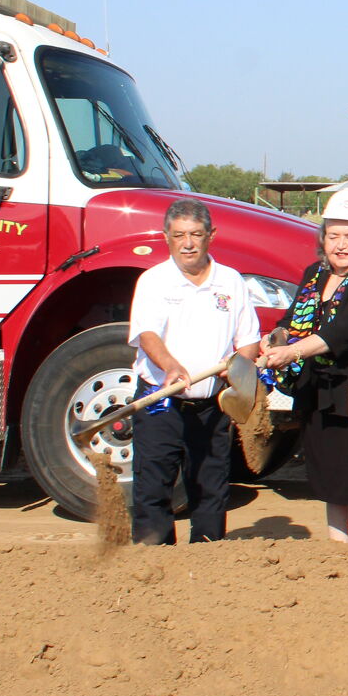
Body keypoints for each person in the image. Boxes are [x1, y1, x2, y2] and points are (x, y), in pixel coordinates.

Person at [259, 188, 348, 545]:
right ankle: (338, 559)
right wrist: (276, 337)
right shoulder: (315, 275)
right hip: (321, 400)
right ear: (322, 238)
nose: (341, 245)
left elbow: (340, 332)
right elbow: (292, 319)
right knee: (332, 487)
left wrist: (293, 353)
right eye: (334, 235)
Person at [124, 197, 261, 544]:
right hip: (161, 402)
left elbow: (248, 341)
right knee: (153, 487)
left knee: (211, 489)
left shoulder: (230, 282)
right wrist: (170, 367)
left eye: (195, 234)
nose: (187, 243)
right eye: (179, 235)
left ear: (210, 235)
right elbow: (148, 335)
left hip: (210, 405)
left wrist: (239, 369)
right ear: (166, 236)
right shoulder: (154, 281)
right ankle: (152, 563)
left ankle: (207, 562)